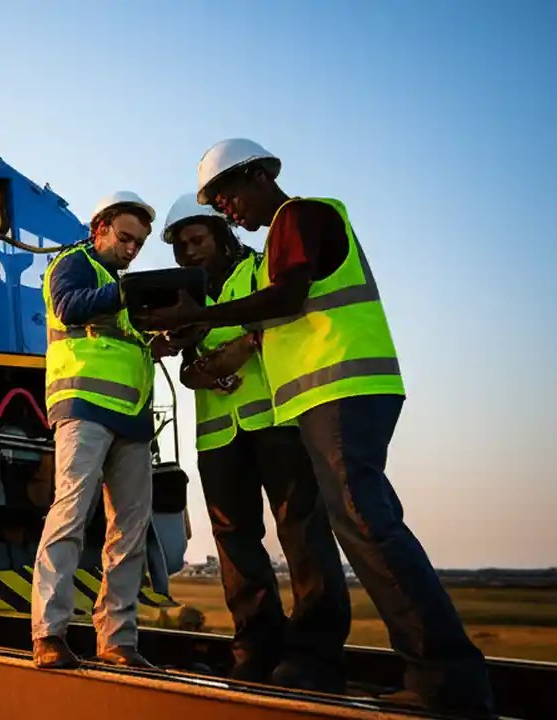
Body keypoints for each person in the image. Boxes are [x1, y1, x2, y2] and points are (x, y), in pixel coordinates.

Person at [134, 140, 495, 717]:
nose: (228, 207)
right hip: (312, 402)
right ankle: (436, 675)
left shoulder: (297, 219)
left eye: (227, 195)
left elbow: (287, 299)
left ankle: (441, 677)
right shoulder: (276, 237)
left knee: (358, 525)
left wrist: (201, 320)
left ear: (258, 175)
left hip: (337, 392)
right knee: (354, 524)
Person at [161, 193, 352, 692]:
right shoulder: (190, 294)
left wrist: (230, 351)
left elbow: (263, 333)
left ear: (222, 234)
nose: (188, 253)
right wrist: (211, 361)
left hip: (277, 423)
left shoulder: (264, 269)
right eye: (180, 247)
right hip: (220, 436)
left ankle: (314, 657)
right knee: (234, 542)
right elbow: (191, 372)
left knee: (302, 533)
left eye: (196, 240)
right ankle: (255, 649)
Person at [31, 190, 165, 669]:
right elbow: (68, 306)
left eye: (139, 245)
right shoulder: (73, 263)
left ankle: (117, 641)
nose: (131, 250)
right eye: (125, 239)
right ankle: (48, 635)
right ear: (99, 229)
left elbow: (128, 339)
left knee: (129, 529)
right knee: (69, 515)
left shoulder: (118, 282)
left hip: (132, 416)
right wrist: (128, 292)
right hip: (83, 405)